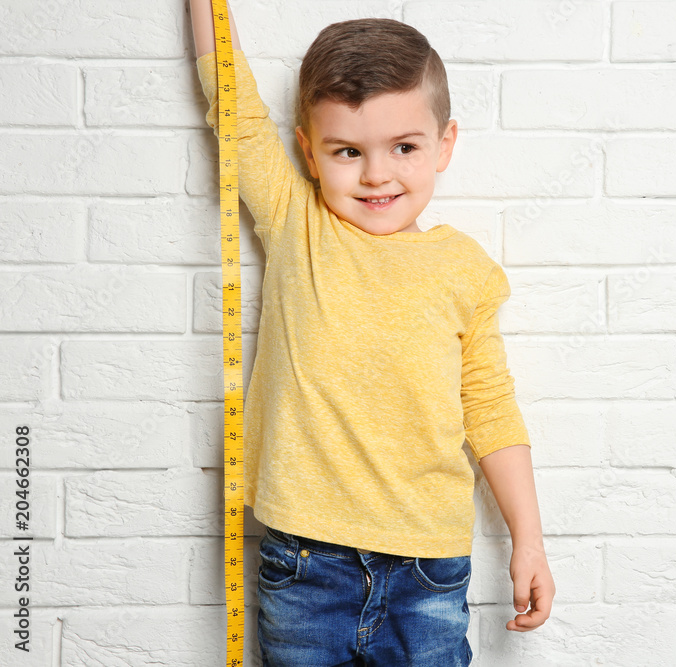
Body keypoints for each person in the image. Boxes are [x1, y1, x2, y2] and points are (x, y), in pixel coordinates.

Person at [188, 1, 555, 664]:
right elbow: (235, 107)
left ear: (445, 144)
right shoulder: (298, 222)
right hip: (305, 567)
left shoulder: (464, 270)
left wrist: (528, 539)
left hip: (428, 571)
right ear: (309, 151)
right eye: (348, 151)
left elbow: (491, 409)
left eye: (404, 147)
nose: (377, 173)